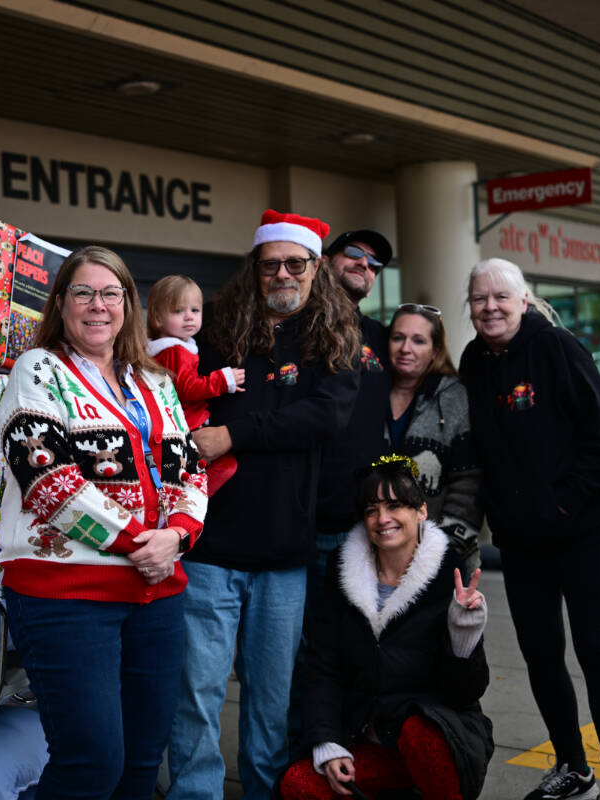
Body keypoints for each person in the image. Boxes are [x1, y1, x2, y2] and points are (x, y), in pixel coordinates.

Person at [0, 245, 208, 799]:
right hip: (67, 597)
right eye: (84, 292)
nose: (98, 305)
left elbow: (191, 469)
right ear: (61, 302)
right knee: (91, 764)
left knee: (140, 766)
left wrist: (180, 535)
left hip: (157, 596)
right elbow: (46, 480)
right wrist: (142, 542)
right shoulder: (37, 370)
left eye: (110, 293)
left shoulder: (155, 382)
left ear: (128, 304)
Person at [168, 209, 361, 800]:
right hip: (210, 548)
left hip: (284, 554)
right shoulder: (216, 332)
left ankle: (263, 792)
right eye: (270, 263)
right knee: (196, 697)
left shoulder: (332, 337)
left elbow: (324, 416)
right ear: (254, 269)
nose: (282, 273)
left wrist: (239, 434)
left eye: (294, 263)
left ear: (315, 269)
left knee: (271, 705)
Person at [459, 258, 600, 800]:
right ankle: (574, 767)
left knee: (599, 653)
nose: (490, 307)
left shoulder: (558, 348)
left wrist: (563, 508)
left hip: (587, 535)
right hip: (522, 542)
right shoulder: (473, 362)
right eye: (480, 298)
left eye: (501, 297)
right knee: (541, 654)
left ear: (524, 299)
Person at [282, 456, 493, 800]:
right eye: (371, 509)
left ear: (421, 511)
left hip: (437, 743)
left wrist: (463, 635)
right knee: (299, 785)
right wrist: (328, 743)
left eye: (395, 505)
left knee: (418, 733)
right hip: (371, 743)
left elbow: (464, 694)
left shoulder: (447, 575)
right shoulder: (343, 573)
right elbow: (324, 666)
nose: (382, 519)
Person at [290, 229, 393, 759]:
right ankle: (298, 762)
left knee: (353, 648)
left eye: (374, 264)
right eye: (354, 255)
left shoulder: (377, 334)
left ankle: (339, 753)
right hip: (304, 522)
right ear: (324, 261)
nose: (364, 266)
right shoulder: (298, 325)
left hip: (364, 526)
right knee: (301, 653)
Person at [384, 303, 483, 572]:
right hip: (378, 557)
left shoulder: (455, 397)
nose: (406, 348)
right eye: (398, 338)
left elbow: (469, 481)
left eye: (419, 341)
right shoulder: (369, 393)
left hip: (442, 557)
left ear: (435, 351)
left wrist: (444, 551)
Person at [146, 274, 245, 493]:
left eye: (195, 310)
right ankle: (194, 498)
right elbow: (187, 389)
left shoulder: (174, 347)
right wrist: (223, 380)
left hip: (176, 423)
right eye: (178, 311)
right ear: (157, 318)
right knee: (227, 466)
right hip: (187, 423)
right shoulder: (175, 351)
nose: (189, 317)